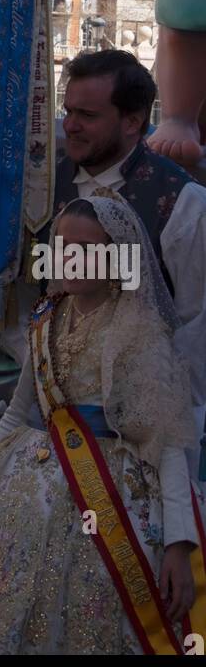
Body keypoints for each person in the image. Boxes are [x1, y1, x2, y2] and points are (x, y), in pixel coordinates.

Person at [0, 195, 206, 655]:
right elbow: (19, 412)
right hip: (21, 493)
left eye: (88, 247)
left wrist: (180, 543)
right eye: (62, 246)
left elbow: (167, 442)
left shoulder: (139, 332)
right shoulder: (45, 318)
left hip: (111, 501)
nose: (72, 258)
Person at [29, 52, 206, 440]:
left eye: (88, 116)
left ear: (132, 121)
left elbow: (195, 328)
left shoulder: (183, 202)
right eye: (68, 111)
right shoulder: (38, 186)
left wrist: (182, 441)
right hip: (43, 409)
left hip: (141, 423)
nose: (70, 126)